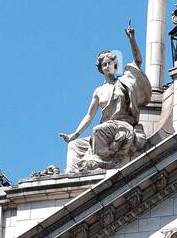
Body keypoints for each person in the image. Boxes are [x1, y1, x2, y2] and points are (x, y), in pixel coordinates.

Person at [59, 24, 151, 173]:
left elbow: (138, 61)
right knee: (74, 146)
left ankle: (98, 162)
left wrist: (132, 40)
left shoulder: (124, 81)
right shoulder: (98, 91)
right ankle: (73, 175)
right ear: (101, 68)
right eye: (104, 64)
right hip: (105, 131)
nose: (108, 66)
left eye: (110, 63)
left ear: (115, 66)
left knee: (98, 130)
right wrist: (74, 135)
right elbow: (89, 116)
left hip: (121, 126)